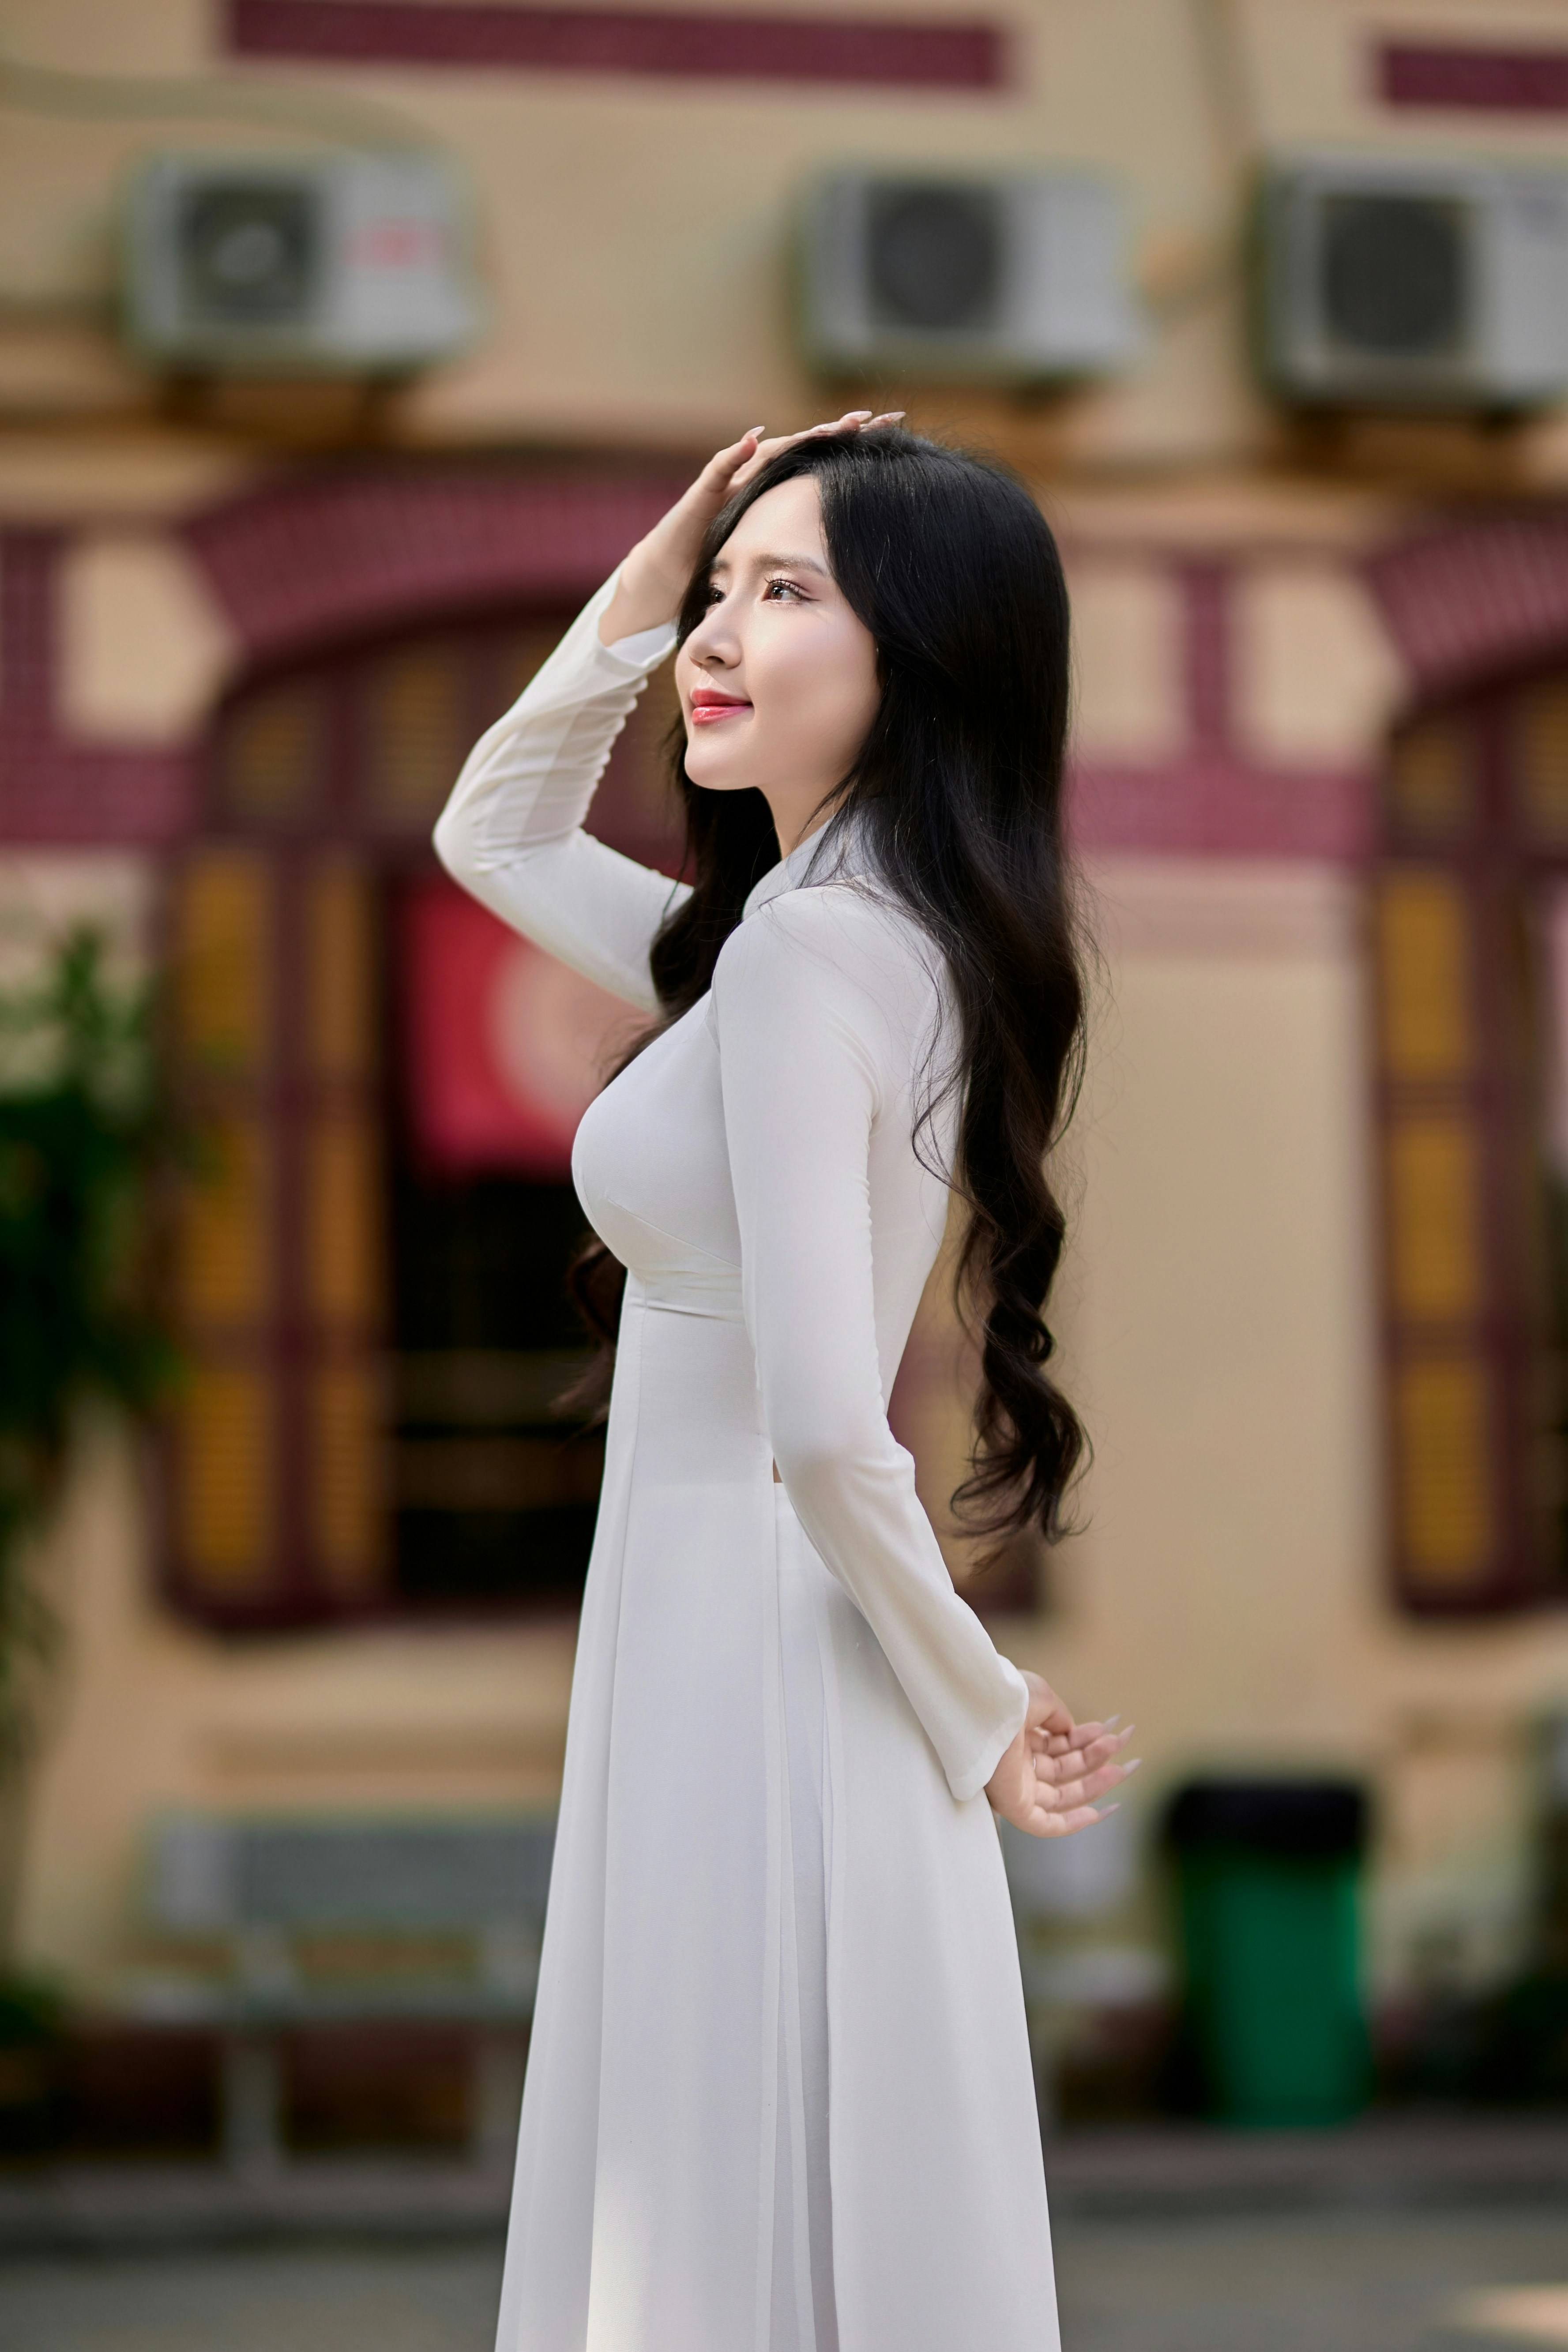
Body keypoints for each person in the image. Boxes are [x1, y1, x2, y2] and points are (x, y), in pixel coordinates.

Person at [435, 413, 1134, 2352]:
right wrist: (658, 571)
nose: (711, 643)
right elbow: (486, 831)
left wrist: (978, 1708)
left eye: (785, 590)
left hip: (746, 1644)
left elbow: (834, 1428)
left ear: (921, 654)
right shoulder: (801, 941)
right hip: (735, 1636)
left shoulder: (811, 955)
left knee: (710, 2209)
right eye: (720, 594)